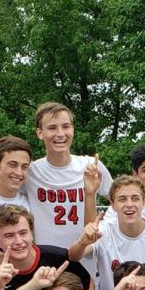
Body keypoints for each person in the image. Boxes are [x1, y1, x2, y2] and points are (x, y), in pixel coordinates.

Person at [70, 174, 145, 290]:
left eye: (135, 198)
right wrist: (82, 243)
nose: (129, 204)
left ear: (144, 201)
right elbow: (74, 256)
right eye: (122, 199)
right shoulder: (104, 231)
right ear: (113, 205)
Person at [25, 101, 112, 250]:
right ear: (40, 133)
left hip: (86, 256)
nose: (60, 133)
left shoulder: (91, 165)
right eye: (52, 128)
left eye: (66, 126)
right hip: (46, 258)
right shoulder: (31, 170)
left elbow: (120, 199)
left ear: (72, 129)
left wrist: (107, 227)